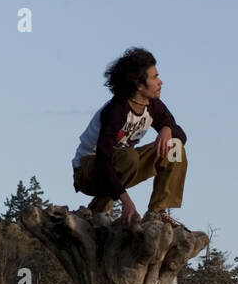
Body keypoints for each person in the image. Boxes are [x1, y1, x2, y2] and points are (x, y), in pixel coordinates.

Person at [72, 47, 188, 229]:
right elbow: (103, 159)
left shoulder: (153, 106)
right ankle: (99, 211)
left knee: (175, 147)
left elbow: (181, 135)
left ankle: (157, 212)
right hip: (88, 170)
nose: (161, 82)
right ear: (139, 85)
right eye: (155, 77)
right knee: (128, 157)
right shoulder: (116, 111)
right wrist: (126, 201)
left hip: (121, 166)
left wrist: (167, 128)